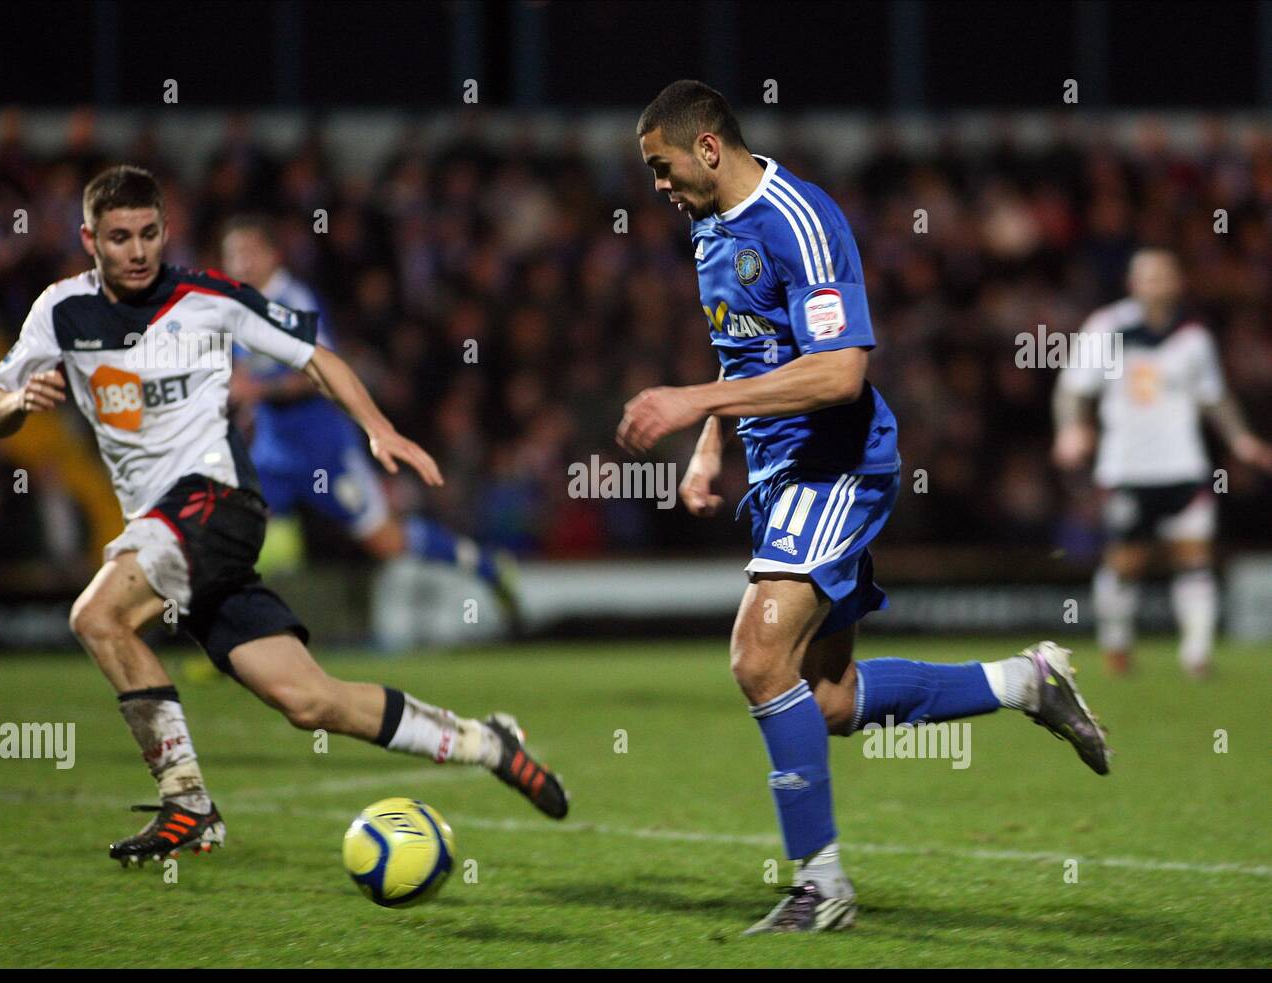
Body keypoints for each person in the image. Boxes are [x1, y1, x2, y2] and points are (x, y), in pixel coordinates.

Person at [617, 81, 1109, 935]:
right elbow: (746, 344)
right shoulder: (707, 229)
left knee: (755, 654)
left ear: (705, 148)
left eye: (661, 167)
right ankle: (1026, 681)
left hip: (835, 464)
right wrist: (709, 443)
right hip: (780, 473)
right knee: (830, 699)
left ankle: (821, 888)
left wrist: (693, 404)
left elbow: (841, 370)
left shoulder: (801, 219)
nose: (656, 186)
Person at [0, 165, 567, 867]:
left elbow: (318, 360)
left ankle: (187, 803)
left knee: (95, 617)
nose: (136, 251)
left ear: (165, 231)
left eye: (148, 234)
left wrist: (380, 429)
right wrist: (19, 404)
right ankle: (485, 742)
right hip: (168, 533)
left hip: (216, 501)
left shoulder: (211, 298)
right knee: (312, 703)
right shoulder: (59, 311)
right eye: (118, 237)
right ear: (88, 239)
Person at [219, 216, 517, 610]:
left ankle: (481, 563)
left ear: (274, 255)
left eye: (249, 252)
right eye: (233, 255)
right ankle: (231, 639)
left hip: (323, 448)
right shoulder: (234, 305)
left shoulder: (293, 300)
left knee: (386, 542)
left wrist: (259, 389)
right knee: (232, 537)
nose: (240, 263)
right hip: (272, 453)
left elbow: (320, 372)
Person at [1053, 247, 1272, 677]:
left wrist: (1241, 439)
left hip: (1183, 465)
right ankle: (1116, 645)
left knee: (1193, 556)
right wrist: (1070, 429)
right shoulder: (1106, 327)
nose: (1156, 284)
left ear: (1178, 282)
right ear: (1132, 283)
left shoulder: (1193, 337)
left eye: (1164, 275)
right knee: (1125, 562)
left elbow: (1214, 397)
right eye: (1147, 276)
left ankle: (1197, 655)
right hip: (1127, 467)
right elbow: (1073, 388)